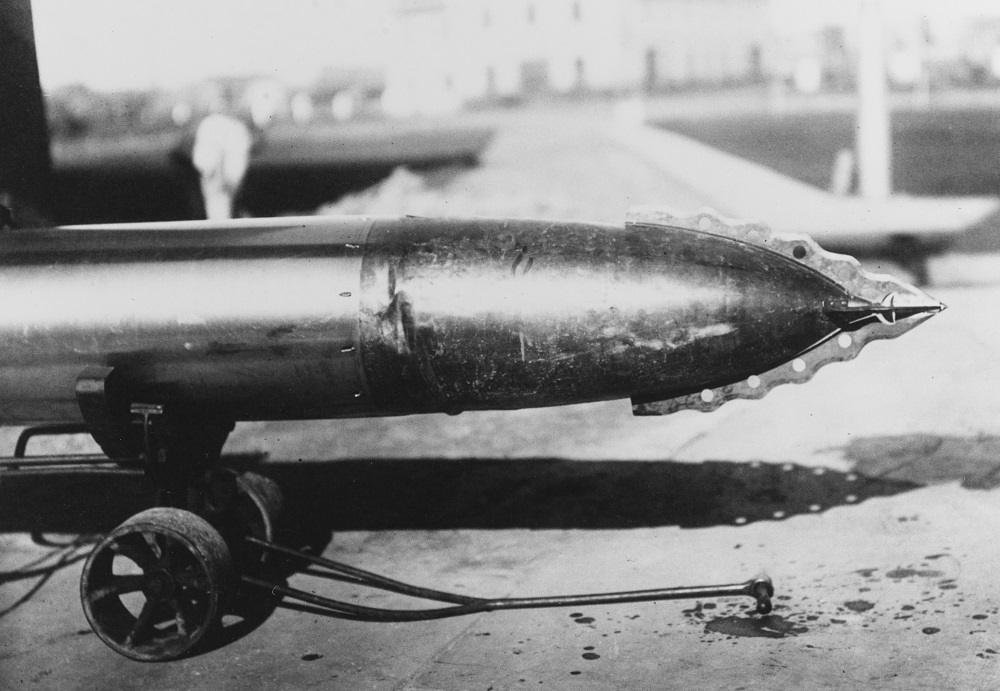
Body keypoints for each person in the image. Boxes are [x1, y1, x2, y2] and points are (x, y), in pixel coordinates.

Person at [190, 108, 253, 220]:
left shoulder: (236, 129)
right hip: (218, 187)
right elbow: (201, 161)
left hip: (227, 186)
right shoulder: (209, 125)